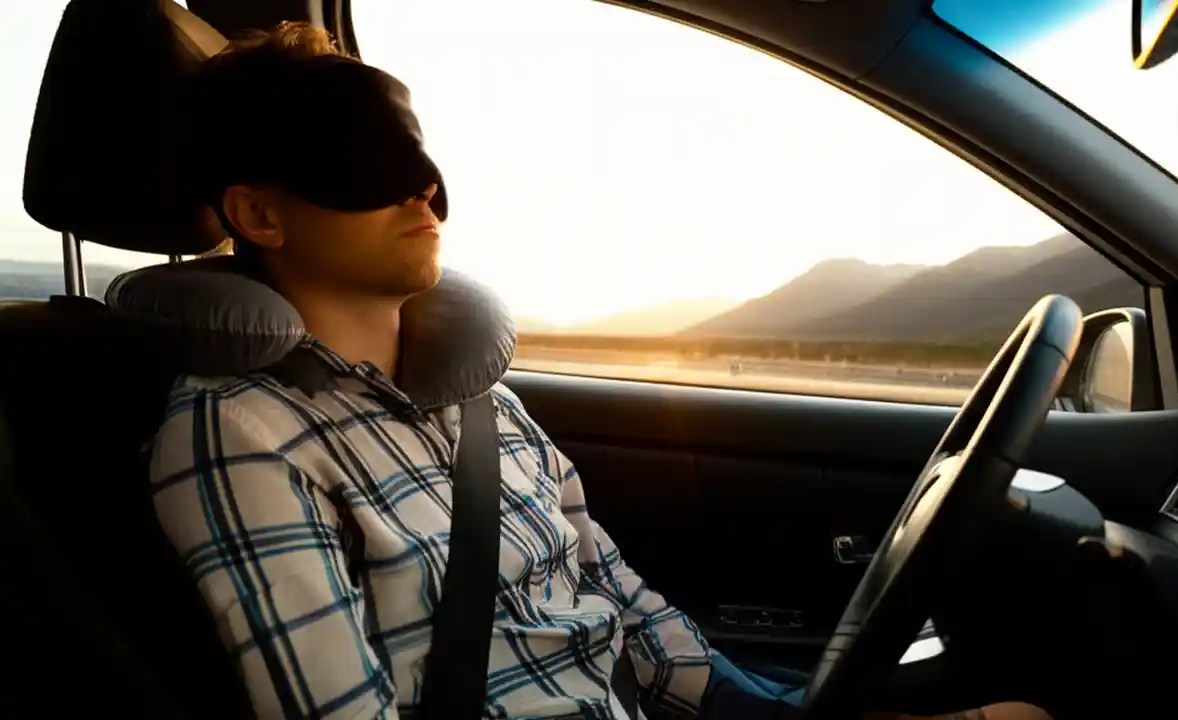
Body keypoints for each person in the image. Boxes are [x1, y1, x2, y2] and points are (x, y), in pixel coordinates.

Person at [147, 21, 1050, 720]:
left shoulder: (482, 403)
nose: (422, 188)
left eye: (416, 155)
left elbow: (612, 598)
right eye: (362, 164)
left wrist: (768, 713)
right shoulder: (242, 434)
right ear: (261, 214)